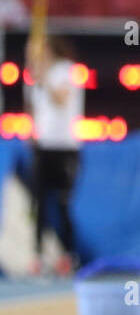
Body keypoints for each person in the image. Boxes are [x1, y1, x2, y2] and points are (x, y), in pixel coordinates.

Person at [25, 35, 83, 276]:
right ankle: (38, 255)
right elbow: (34, 109)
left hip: (65, 148)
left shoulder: (66, 70)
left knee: (63, 204)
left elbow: (61, 99)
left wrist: (44, 77)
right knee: (37, 202)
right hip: (43, 146)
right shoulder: (36, 78)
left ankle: (68, 255)